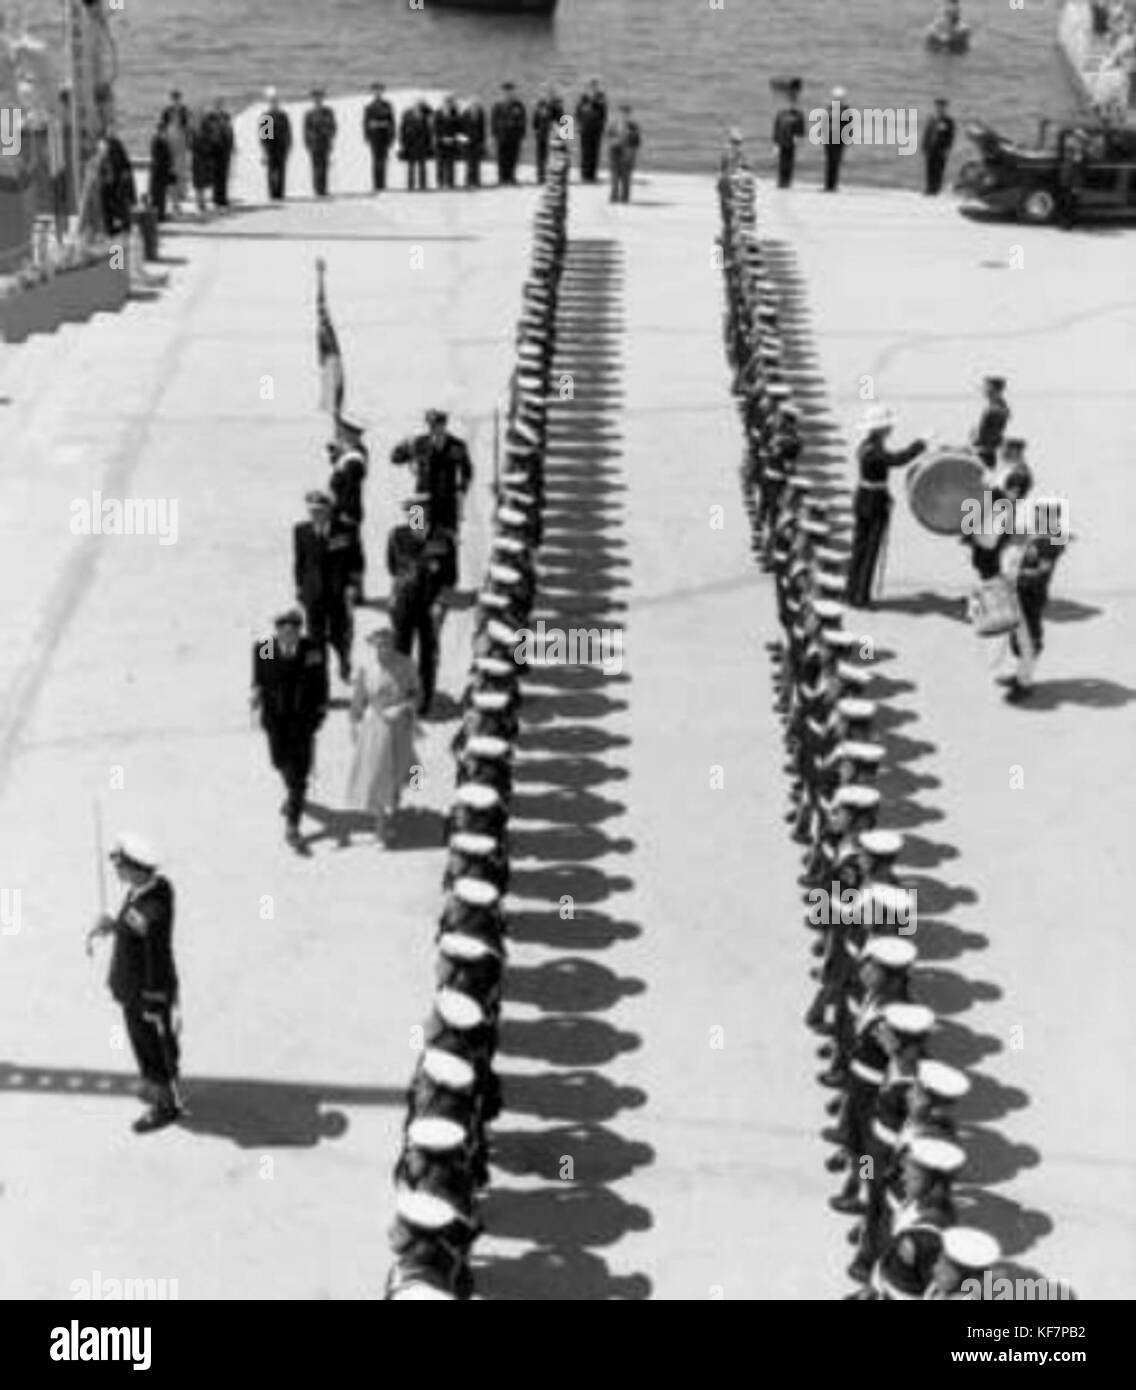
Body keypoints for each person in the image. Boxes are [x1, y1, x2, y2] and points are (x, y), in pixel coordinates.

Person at [86, 834, 182, 1133]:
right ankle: (155, 1084)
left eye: (122, 864)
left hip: (147, 992)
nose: (117, 868)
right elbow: (132, 925)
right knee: (143, 1041)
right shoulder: (151, 888)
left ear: (138, 869)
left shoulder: (151, 910)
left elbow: (154, 954)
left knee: (154, 1048)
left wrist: (154, 1000)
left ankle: (166, 1105)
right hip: (132, 988)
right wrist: (113, 926)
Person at [251, 609, 329, 847]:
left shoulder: (312, 650)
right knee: (278, 762)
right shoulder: (264, 648)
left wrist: (319, 713)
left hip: (303, 722)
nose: (289, 636)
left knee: (300, 776)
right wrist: (256, 694)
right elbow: (260, 678)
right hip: (275, 721)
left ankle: (293, 825)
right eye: (283, 631)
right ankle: (293, 793)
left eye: (294, 631)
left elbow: (321, 682)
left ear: (299, 630)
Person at [845, 406, 929, 608]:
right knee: (870, 550)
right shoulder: (875, 450)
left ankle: (851, 590)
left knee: (859, 547)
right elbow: (898, 459)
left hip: (866, 496)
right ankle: (860, 596)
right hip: (874, 502)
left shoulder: (866, 445)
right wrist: (920, 444)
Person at [344, 627, 421, 845]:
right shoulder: (366, 667)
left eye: (386, 643)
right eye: (378, 644)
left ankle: (394, 802)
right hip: (375, 726)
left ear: (393, 643)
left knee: (401, 770)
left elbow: (417, 693)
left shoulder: (407, 664)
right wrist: (353, 722)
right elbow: (358, 698)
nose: (382, 648)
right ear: (373, 645)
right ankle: (380, 827)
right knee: (376, 774)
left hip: (400, 725)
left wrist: (405, 706)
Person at [390, 410, 473, 579]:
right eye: (432, 425)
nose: (435, 429)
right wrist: (403, 446)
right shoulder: (419, 443)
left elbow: (467, 471)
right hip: (420, 501)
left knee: (446, 540)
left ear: (445, 425)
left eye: (439, 425)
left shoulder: (457, 446)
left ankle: (447, 580)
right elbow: (396, 458)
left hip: (447, 501)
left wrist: (461, 490)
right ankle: (415, 575)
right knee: (416, 536)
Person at [387, 498, 449, 717]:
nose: (416, 517)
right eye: (412, 513)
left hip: (430, 606)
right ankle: (402, 696)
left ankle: (424, 700)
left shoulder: (442, 538)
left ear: (428, 513)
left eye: (420, 513)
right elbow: (393, 568)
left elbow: (449, 578)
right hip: (405, 603)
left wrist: (441, 604)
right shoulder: (397, 536)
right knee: (400, 652)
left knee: (428, 654)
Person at [292, 489, 363, 682]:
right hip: (313, 594)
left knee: (339, 636)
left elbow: (357, 561)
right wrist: (299, 587)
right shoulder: (301, 531)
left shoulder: (346, 530)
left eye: (319, 510)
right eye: (312, 510)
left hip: (338, 593)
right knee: (316, 641)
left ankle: (344, 660)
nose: (315, 514)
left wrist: (353, 586)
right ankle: (321, 685)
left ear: (329, 510)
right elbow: (300, 562)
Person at [96, 130, 136, 235]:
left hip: (118, 204)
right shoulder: (117, 166)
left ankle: (117, 246)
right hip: (116, 212)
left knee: (117, 238)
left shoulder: (121, 172)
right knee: (116, 235)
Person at [259, 87, 293, 201]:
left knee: (281, 170)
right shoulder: (266, 116)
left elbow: (288, 132)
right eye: (272, 100)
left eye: (275, 100)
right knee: (271, 171)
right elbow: (264, 137)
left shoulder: (283, 115)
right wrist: (264, 152)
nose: (274, 102)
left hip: (282, 146)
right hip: (271, 147)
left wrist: (289, 145)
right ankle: (273, 194)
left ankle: (280, 193)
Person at [491, 81, 527, 185]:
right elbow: (493, 121)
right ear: (502, 93)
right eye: (506, 92)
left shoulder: (518, 105)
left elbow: (523, 120)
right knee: (502, 157)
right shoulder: (497, 105)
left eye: (510, 92)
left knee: (513, 157)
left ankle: (511, 177)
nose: (508, 94)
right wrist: (494, 134)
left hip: (514, 136)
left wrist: (522, 134)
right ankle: (502, 178)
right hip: (501, 135)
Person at [161, 90, 191, 213]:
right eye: (174, 99)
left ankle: (182, 191)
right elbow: (162, 125)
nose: (176, 101)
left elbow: (188, 126)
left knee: (182, 166)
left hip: (181, 138)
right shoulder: (167, 111)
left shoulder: (185, 110)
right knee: (171, 166)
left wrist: (188, 140)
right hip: (170, 139)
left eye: (178, 99)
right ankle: (171, 191)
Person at [970, 375, 1010, 469]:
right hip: (986, 452)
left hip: (985, 453)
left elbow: (991, 435)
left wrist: (976, 437)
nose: (984, 390)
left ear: (994, 389)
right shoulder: (997, 406)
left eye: (986, 387)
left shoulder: (996, 409)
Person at [363, 81, 397, 192]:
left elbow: (392, 122)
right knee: (375, 160)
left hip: (385, 136)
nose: (378, 92)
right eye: (375, 90)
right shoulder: (369, 107)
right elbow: (365, 123)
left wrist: (392, 136)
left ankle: (382, 183)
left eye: (379, 90)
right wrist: (367, 136)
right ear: (373, 92)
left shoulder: (387, 105)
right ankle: (376, 184)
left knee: (383, 160)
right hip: (374, 137)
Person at [304, 88, 337, 197]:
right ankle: (317, 188)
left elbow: (333, 127)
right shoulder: (266, 116)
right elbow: (306, 129)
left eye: (319, 97)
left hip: (324, 141)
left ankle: (322, 188)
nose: (317, 100)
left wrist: (330, 137)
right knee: (316, 166)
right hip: (314, 142)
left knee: (324, 165)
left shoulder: (327, 112)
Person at [607, 103, 641, 203]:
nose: (624, 116)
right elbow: (608, 138)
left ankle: (625, 198)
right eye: (622, 113)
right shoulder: (613, 125)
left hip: (628, 154)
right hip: (615, 153)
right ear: (619, 114)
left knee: (626, 178)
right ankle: (614, 197)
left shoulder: (634, 126)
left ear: (629, 115)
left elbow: (637, 142)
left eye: (626, 114)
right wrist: (615, 142)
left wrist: (632, 153)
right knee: (615, 177)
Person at [575, 78, 608, 182]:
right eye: (591, 86)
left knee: (595, 152)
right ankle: (584, 175)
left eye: (595, 86)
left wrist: (602, 126)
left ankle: (592, 175)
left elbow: (603, 113)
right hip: (585, 129)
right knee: (585, 152)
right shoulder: (583, 98)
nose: (593, 88)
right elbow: (577, 112)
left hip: (596, 129)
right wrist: (578, 125)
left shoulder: (600, 97)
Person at [532, 88, 564, 184]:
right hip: (541, 135)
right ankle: (541, 177)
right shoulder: (539, 106)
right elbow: (535, 121)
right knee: (541, 157)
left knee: (553, 156)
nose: (547, 96)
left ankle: (553, 177)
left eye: (550, 94)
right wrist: (536, 130)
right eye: (546, 94)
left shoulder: (556, 107)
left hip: (553, 135)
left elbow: (561, 120)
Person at [923, 98, 955, 195]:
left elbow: (950, 136)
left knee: (939, 169)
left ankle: (936, 189)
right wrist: (924, 146)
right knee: (929, 168)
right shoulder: (932, 119)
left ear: (945, 108)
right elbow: (927, 133)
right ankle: (929, 188)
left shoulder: (948, 121)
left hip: (941, 149)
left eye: (942, 107)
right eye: (938, 106)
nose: (939, 108)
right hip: (931, 148)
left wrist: (947, 148)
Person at [1057, 127, 1087, 230]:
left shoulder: (1069, 148)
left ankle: (1065, 222)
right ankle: (1067, 223)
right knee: (1070, 202)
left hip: (1067, 178)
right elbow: (1078, 166)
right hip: (1073, 180)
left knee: (1067, 201)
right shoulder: (1077, 150)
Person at [773, 97, 806, 188]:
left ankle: (787, 181)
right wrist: (776, 143)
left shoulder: (799, 115)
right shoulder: (781, 114)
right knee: (782, 162)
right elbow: (776, 128)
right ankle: (781, 182)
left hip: (792, 141)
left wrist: (799, 139)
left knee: (789, 162)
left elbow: (801, 129)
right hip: (782, 140)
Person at [400, 100, 431, 191]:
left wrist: (428, 144)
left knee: (422, 166)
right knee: (411, 166)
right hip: (410, 145)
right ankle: (410, 186)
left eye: (419, 108)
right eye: (416, 107)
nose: (417, 110)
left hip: (422, 145)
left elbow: (428, 132)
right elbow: (402, 131)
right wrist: (403, 144)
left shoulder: (425, 117)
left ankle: (423, 185)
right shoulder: (407, 117)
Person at [434, 95, 462, 190]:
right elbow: (435, 128)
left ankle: (450, 183)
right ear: (443, 103)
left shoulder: (456, 113)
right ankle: (440, 183)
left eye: (450, 103)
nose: (448, 105)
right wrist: (442, 138)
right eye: (446, 102)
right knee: (440, 163)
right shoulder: (438, 113)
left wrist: (453, 138)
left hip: (452, 141)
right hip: (440, 142)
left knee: (450, 163)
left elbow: (458, 128)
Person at [148, 115, 173, 222]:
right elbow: (158, 156)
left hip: (162, 170)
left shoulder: (162, 139)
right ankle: (158, 216)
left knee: (161, 194)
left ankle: (161, 214)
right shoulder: (156, 140)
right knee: (157, 194)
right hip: (158, 171)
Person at [823, 88, 848, 192]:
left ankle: (832, 186)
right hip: (829, 139)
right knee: (829, 162)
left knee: (835, 162)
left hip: (839, 140)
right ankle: (828, 185)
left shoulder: (846, 110)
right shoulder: (829, 109)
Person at [462, 99, 486, 188]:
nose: (474, 107)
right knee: (469, 162)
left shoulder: (480, 114)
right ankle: (468, 181)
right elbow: (461, 128)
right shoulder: (465, 114)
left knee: (477, 162)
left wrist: (483, 141)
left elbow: (482, 128)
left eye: (476, 105)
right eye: (473, 105)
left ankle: (476, 181)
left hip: (477, 141)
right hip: (467, 141)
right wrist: (463, 141)